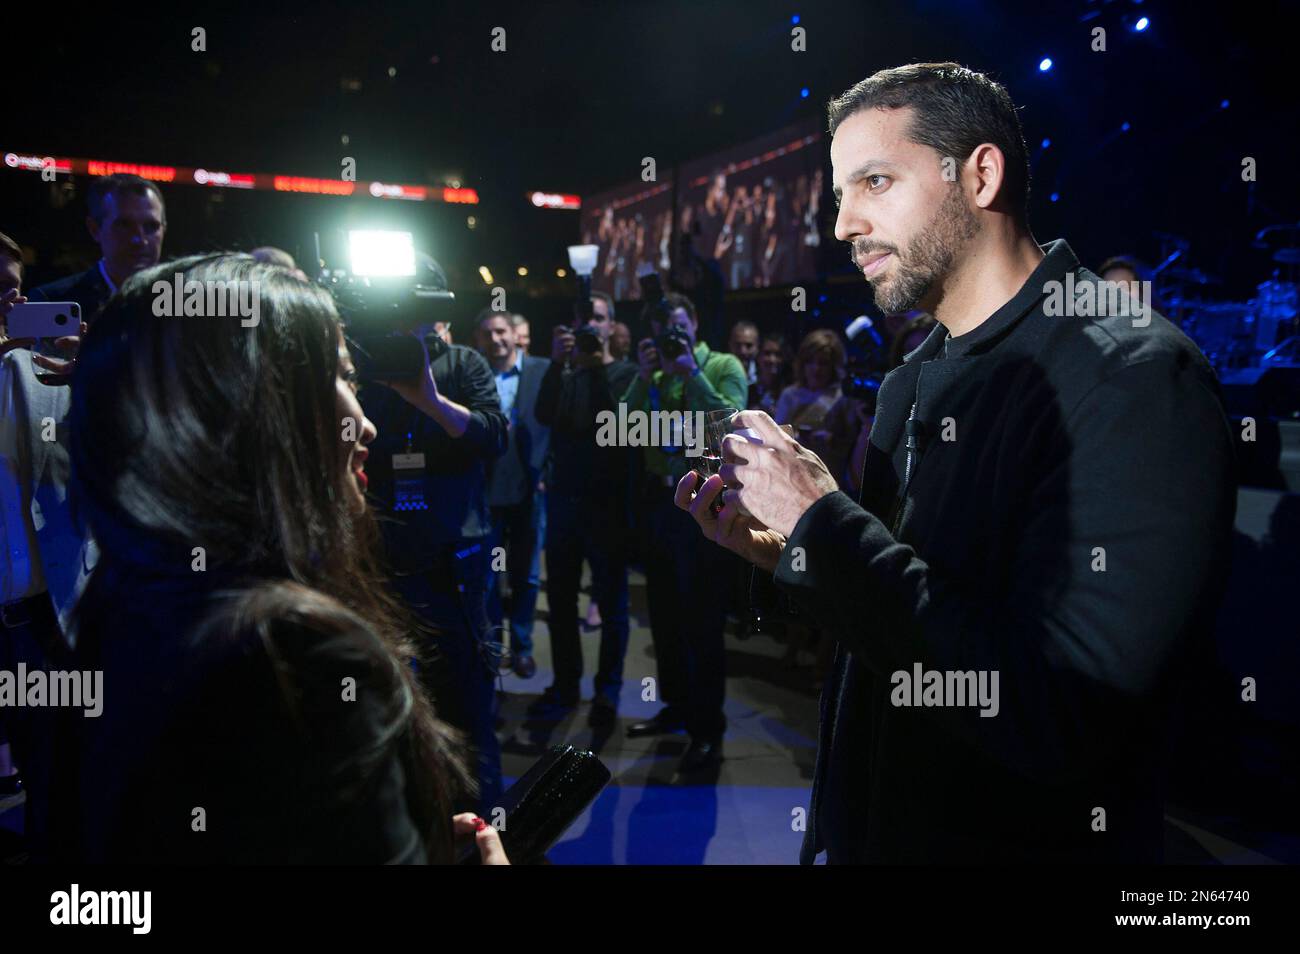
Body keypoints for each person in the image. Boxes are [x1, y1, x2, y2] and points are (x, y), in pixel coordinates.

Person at [676, 62, 1234, 863]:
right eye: (840, 195)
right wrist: (788, 554)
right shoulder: (912, 381)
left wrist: (824, 528)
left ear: (979, 174)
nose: (843, 226)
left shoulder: (1134, 376)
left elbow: (1059, 713)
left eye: (874, 181)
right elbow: (907, 632)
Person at [51, 253, 506, 864]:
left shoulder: (122, 605)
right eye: (343, 379)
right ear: (258, 413)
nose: (364, 422)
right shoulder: (301, 652)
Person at [361, 312, 509, 813]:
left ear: (437, 314)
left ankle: (486, 833)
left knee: (468, 704)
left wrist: (430, 401)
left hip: (456, 564)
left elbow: (494, 436)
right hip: (382, 559)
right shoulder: (361, 365)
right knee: (391, 704)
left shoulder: (463, 363)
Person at [620, 292, 747, 770]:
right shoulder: (651, 375)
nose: (673, 339)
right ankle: (675, 709)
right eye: (663, 333)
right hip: (660, 505)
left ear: (694, 322)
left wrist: (690, 374)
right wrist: (640, 374)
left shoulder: (721, 366)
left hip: (705, 506)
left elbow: (731, 426)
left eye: (678, 327)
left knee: (702, 622)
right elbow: (626, 425)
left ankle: (707, 729)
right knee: (665, 616)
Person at [0, 231, 94, 855]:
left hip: (35, 623)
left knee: (57, 794)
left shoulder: (47, 373)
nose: (7, 304)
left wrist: (99, 383)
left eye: (12, 290)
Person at [531, 290, 638, 726]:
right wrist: (559, 364)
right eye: (584, 318)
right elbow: (542, 414)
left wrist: (594, 369)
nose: (591, 325)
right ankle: (565, 685)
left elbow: (619, 429)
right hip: (563, 503)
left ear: (612, 325)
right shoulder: (567, 374)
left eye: (598, 317)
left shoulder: (628, 374)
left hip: (608, 507)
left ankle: (608, 692)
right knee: (559, 601)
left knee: (612, 605)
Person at [474, 309, 549, 679]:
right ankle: (494, 646)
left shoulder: (541, 370)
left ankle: (522, 647)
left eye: (501, 331)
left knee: (526, 575)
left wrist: (546, 470)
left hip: (528, 489)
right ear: (478, 340)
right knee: (488, 574)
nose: (496, 339)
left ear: (514, 334)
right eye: (487, 334)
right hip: (485, 490)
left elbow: (555, 425)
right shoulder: (473, 374)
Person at [27, 174, 166, 323]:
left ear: (164, 229)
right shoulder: (51, 301)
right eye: (124, 225)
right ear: (94, 229)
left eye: (151, 226)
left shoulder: (185, 302)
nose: (140, 239)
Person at [728, 320, 760, 386]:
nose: (742, 351)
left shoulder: (763, 377)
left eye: (749, 346)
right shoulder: (721, 373)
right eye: (738, 345)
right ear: (730, 345)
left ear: (757, 347)